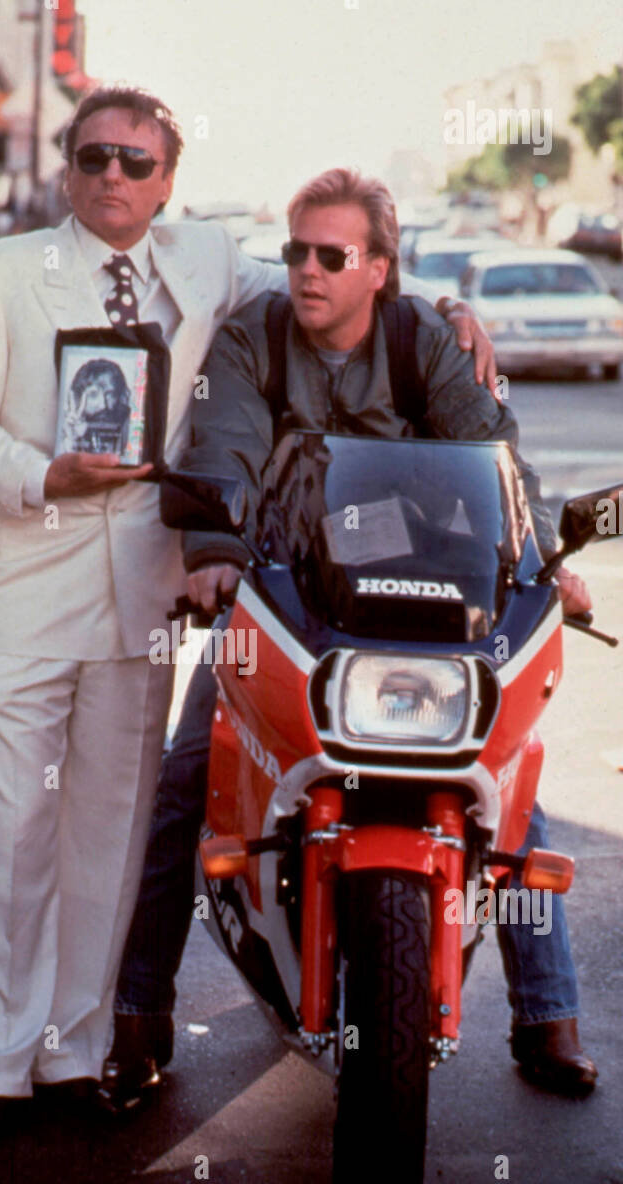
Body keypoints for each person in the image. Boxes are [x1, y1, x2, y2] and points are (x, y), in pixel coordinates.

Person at [0, 87, 497, 1156]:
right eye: (96, 157)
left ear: (169, 178)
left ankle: (73, 1053)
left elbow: (322, 282)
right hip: (29, 591)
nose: (115, 178)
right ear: (67, 168)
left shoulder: (205, 260)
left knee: (109, 835)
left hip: (145, 594)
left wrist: (445, 306)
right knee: (10, 839)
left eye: (138, 163)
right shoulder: (3, 271)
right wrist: (40, 471)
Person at [102, 166, 597, 1112]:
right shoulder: (256, 339)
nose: (307, 270)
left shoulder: (421, 340)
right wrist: (211, 552)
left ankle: (548, 1015)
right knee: (183, 782)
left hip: (416, 604)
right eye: (296, 251)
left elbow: (491, 444)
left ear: (379, 267)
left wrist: (540, 556)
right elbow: (222, 449)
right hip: (285, 600)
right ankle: (138, 1017)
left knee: (507, 778)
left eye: (333, 255)